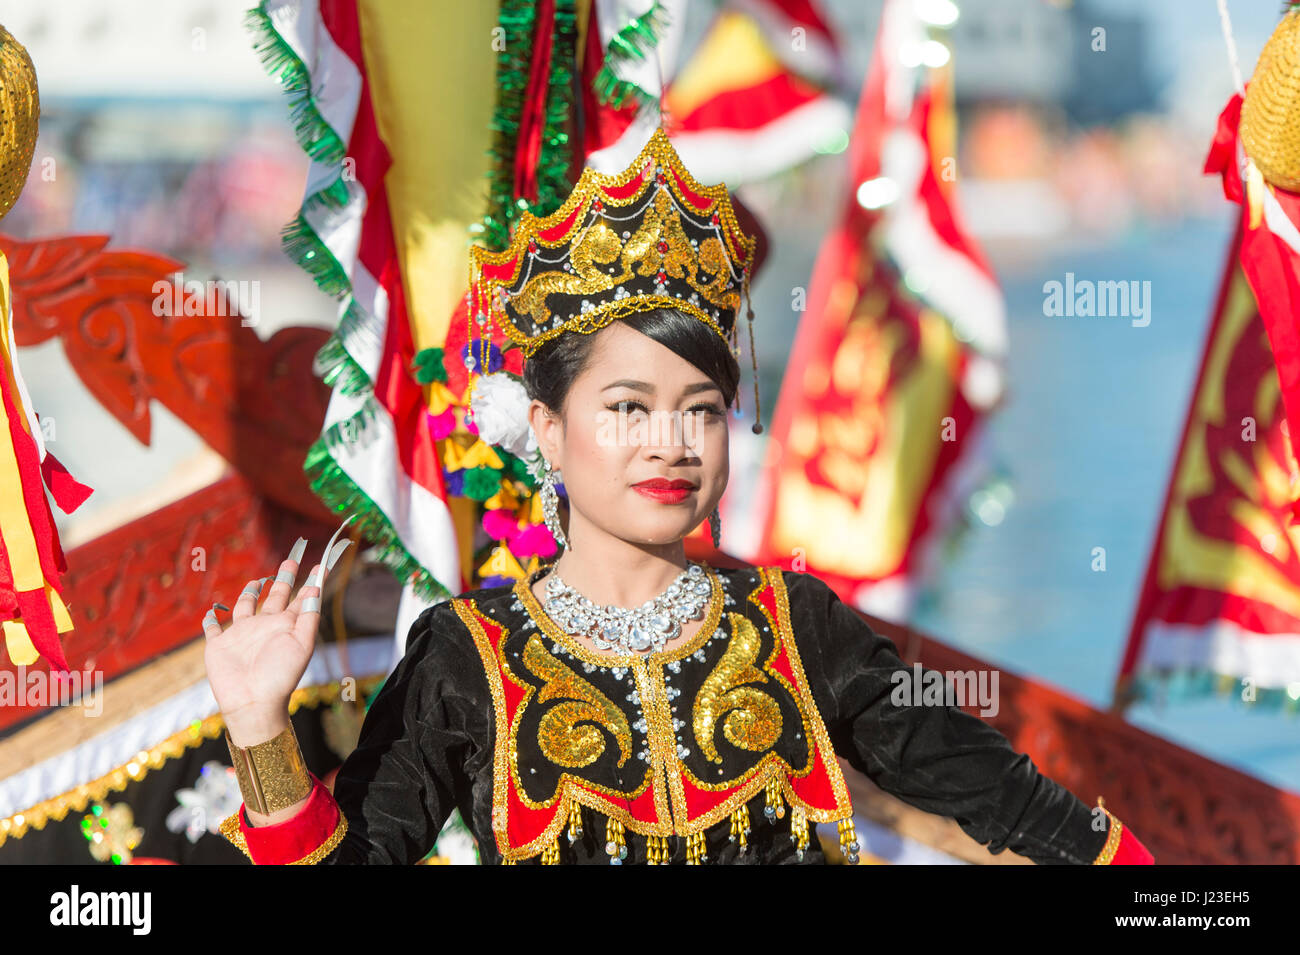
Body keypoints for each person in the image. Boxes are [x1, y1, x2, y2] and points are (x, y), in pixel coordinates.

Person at [203, 128, 1153, 866]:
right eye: (627, 407)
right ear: (547, 431)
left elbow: (1005, 797)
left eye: (701, 410)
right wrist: (260, 729)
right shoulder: (470, 658)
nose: (672, 443)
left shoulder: (794, 627)